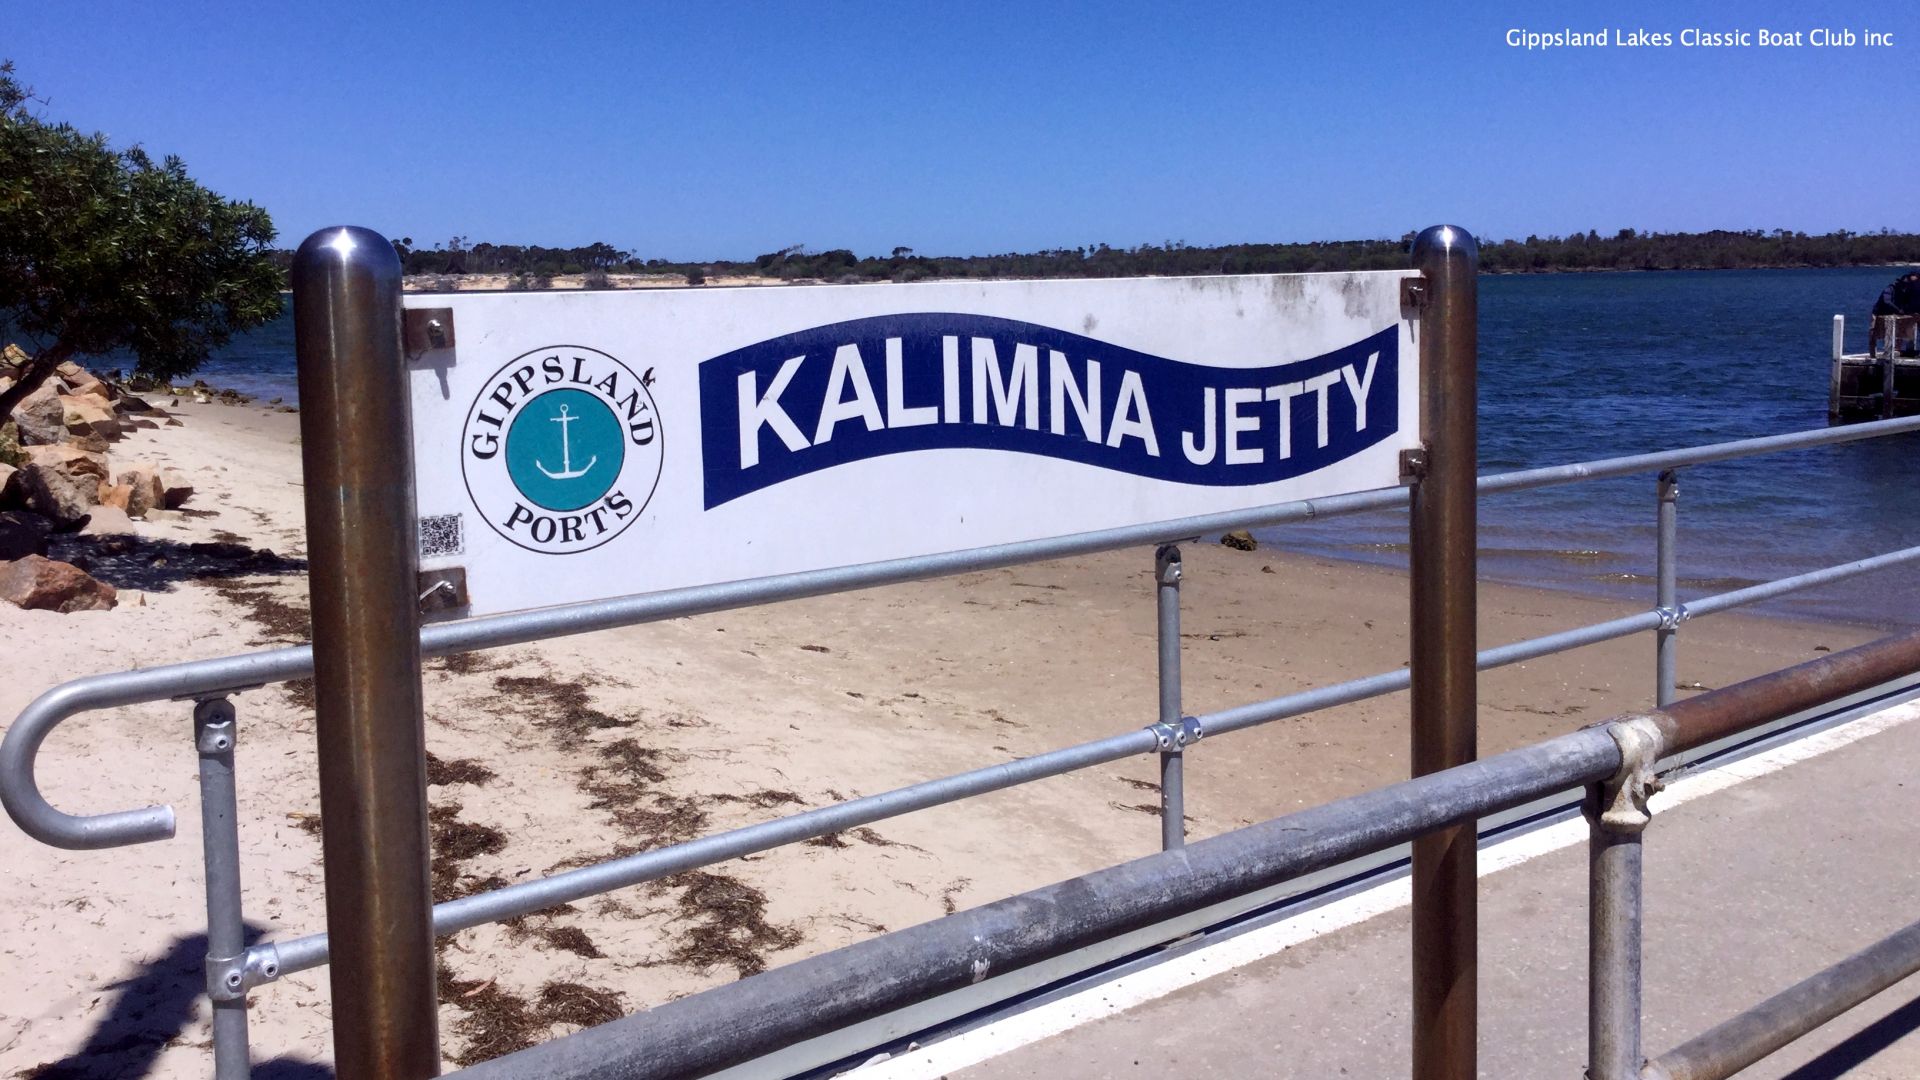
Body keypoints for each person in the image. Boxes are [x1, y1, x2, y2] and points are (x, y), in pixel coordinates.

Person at [1867, 272, 1920, 357]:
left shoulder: (1904, 292)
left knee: (1899, 330)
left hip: (1892, 314)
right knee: (1873, 332)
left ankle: (1897, 349)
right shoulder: (1890, 288)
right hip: (1878, 313)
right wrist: (1899, 310)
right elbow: (1887, 301)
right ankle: (1872, 354)